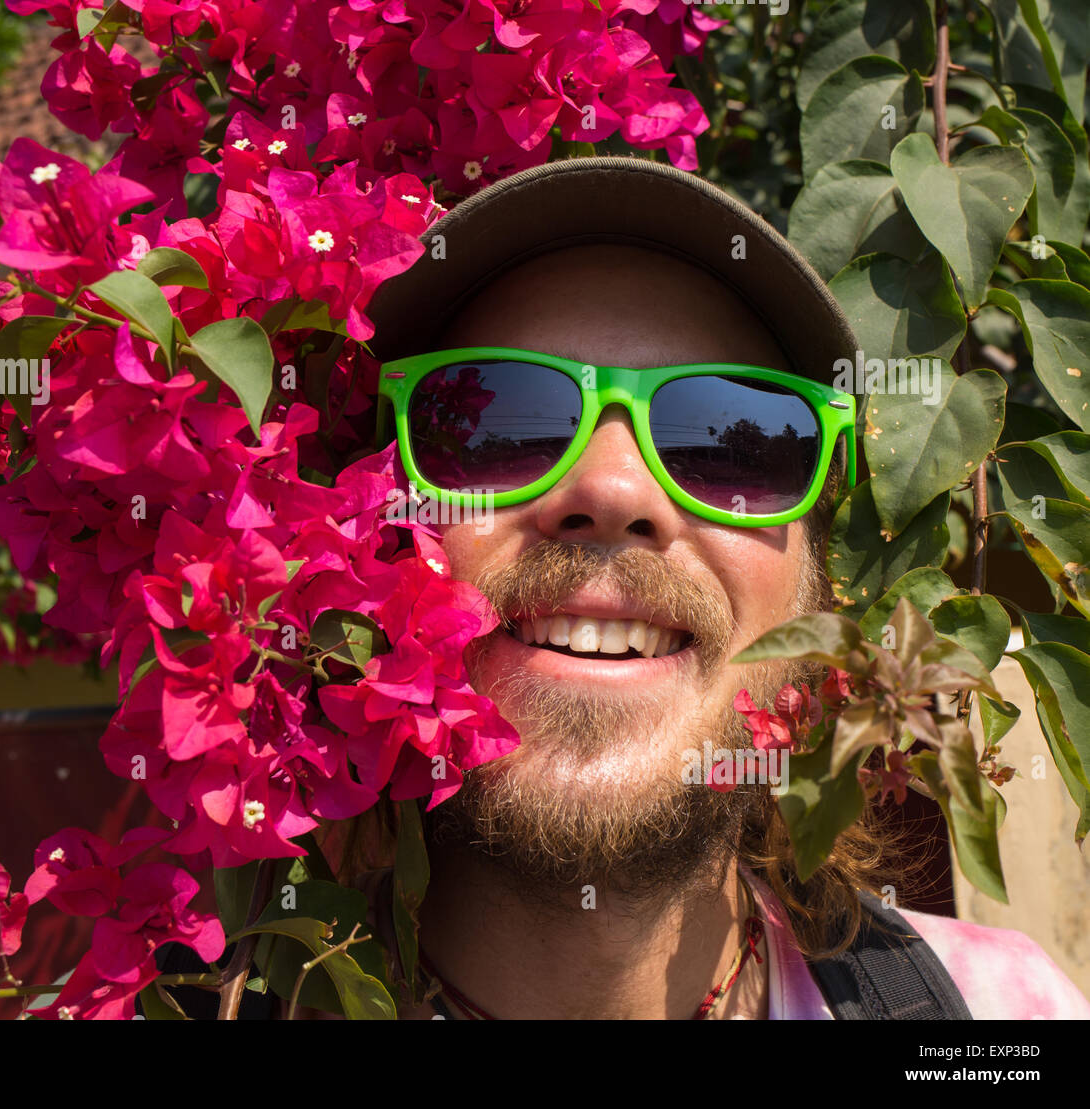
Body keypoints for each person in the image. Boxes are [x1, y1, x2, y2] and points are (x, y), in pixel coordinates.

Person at [351, 156, 1090, 1020]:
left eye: (735, 447)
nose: (615, 492)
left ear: (821, 591)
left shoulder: (1005, 1015)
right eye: (497, 424)